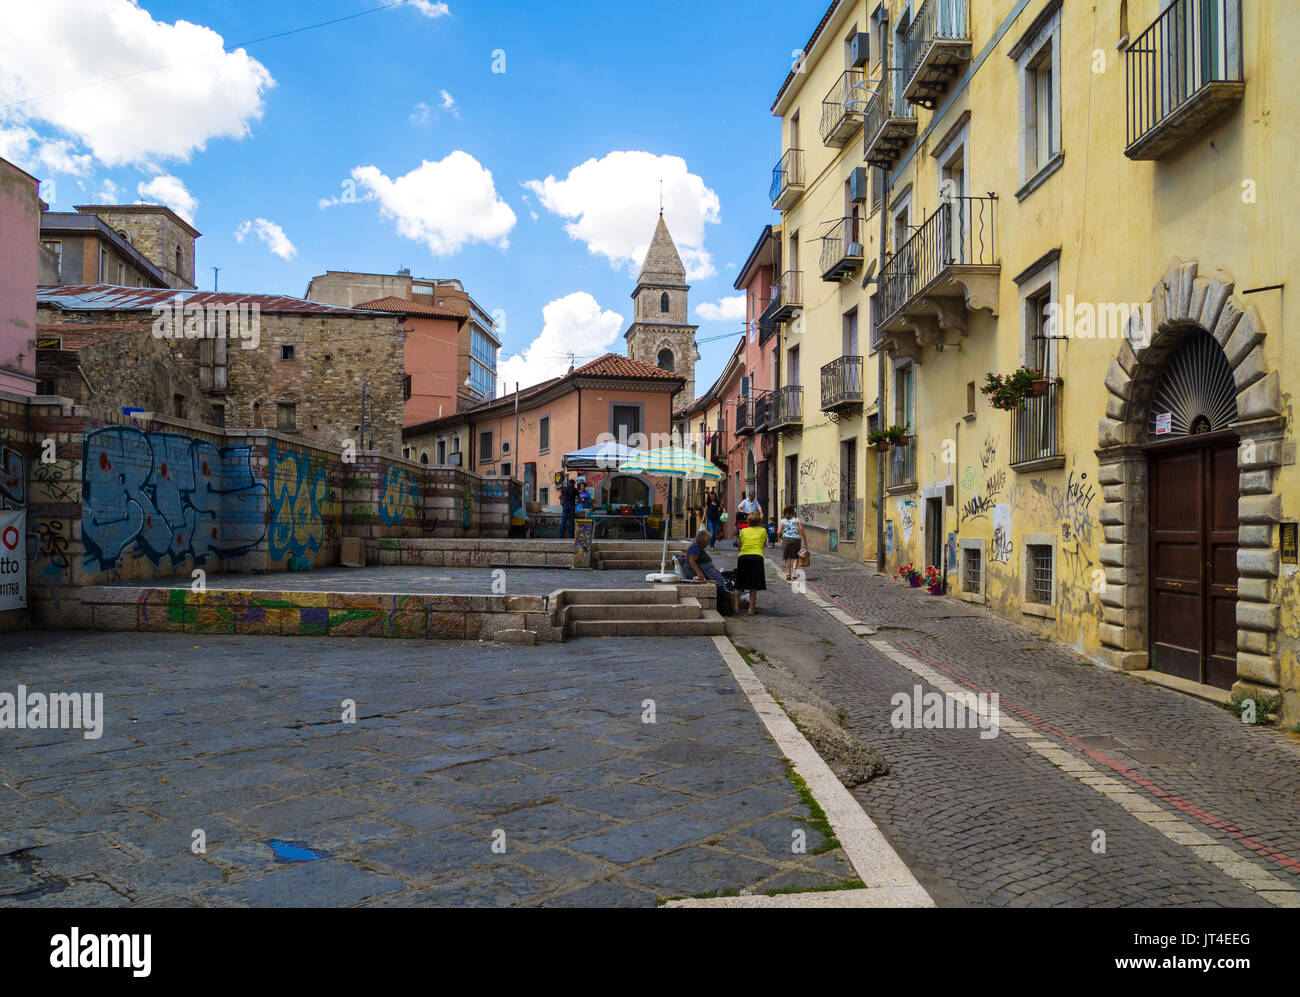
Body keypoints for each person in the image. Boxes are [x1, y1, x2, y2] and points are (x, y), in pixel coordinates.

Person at [684, 529, 739, 614]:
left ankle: (730, 603)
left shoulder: (698, 547)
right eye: (708, 541)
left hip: (701, 571)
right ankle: (729, 605)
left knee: (721, 581)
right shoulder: (695, 548)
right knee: (720, 582)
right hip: (692, 572)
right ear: (703, 541)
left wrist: (713, 569)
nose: (708, 543)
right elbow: (692, 560)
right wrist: (698, 572)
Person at [735, 510, 768, 616]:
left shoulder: (743, 531)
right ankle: (751, 609)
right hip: (757, 557)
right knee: (753, 585)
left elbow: (739, 546)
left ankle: (736, 607)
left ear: (748, 521)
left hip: (743, 557)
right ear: (759, 521)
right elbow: (763, 544)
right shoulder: (763, 531)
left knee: (739, 583)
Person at [779, 505, 808, 581]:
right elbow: (801, 529)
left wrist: (779, 537)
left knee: (787, 557)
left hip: (786, 539)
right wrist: (805, 541)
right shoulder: (797, 519)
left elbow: (779, 531)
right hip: (796, 539)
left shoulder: (782, 521)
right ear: (793, 512)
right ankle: (794, 570)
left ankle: (788, 574)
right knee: (795, 556)